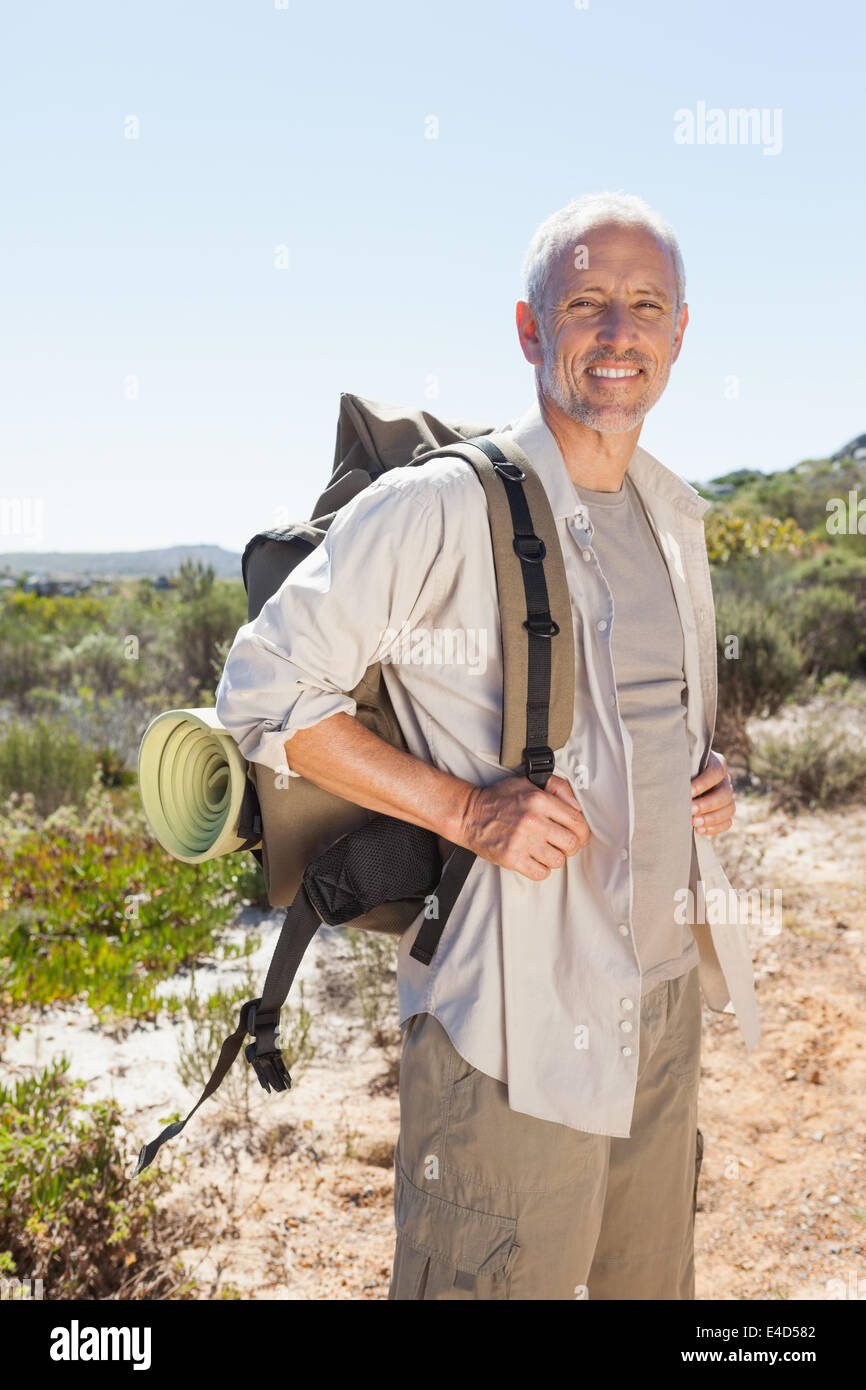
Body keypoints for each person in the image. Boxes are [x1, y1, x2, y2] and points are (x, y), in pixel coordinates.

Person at [215, 191, 760, 1301]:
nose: (617, 333)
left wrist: (699, 780)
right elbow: (263, 693)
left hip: (658, 1005)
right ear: (529, 329)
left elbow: (643, 717)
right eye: (586, 303)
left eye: (644, 305)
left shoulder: (672, 515)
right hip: (507, 1016)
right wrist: (466, 814)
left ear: (679, 332)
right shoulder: (438, 507)